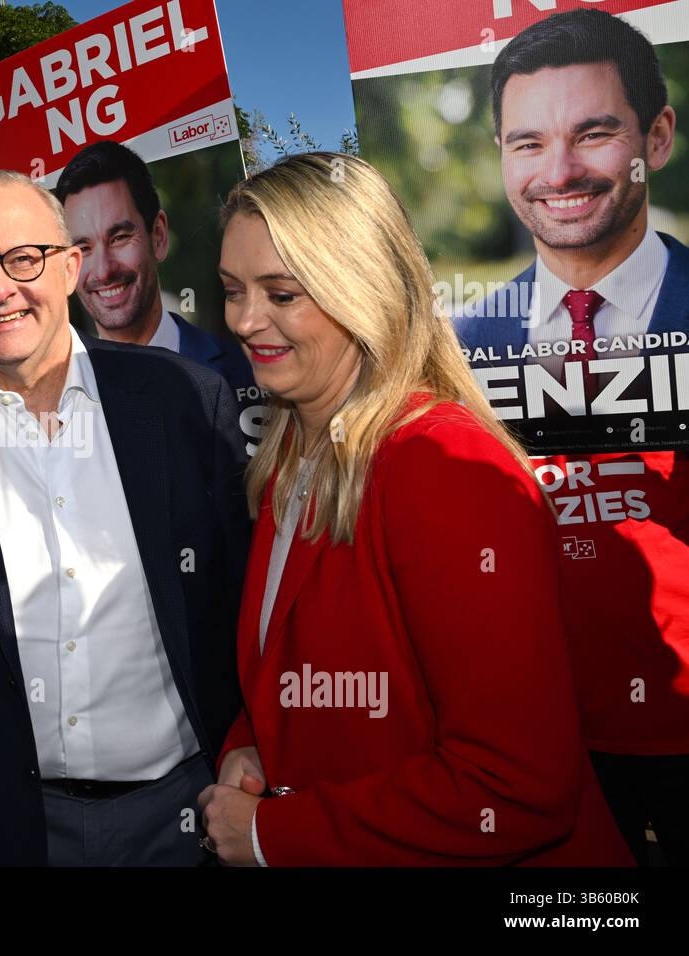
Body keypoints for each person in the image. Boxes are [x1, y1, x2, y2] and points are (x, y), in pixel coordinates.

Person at [200, 152, 631, 866]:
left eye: (282, 293)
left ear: (362, 289)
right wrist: (248, 740)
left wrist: (273, 836)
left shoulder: (444, 467)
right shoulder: (289, 459)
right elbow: (288, 673)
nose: (246, 320)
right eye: (232, 289)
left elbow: (515, 787)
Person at [0, 169, 249, 866]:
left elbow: (245, 605)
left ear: (69, 267)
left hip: (191, 815)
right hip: (10, 831)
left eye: (23, 258)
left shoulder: (184, 400)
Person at [458, 8, 688, 865]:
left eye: (593, 133)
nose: (559, 172)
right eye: (526, 143)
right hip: (541, 759)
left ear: (655, 138)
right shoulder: (458, 350)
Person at [54, 140, 254, 397]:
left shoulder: (244, 373)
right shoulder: (59, 398)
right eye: (84, 248)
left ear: (158, 235)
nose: (104, 270)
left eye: (120, 238)